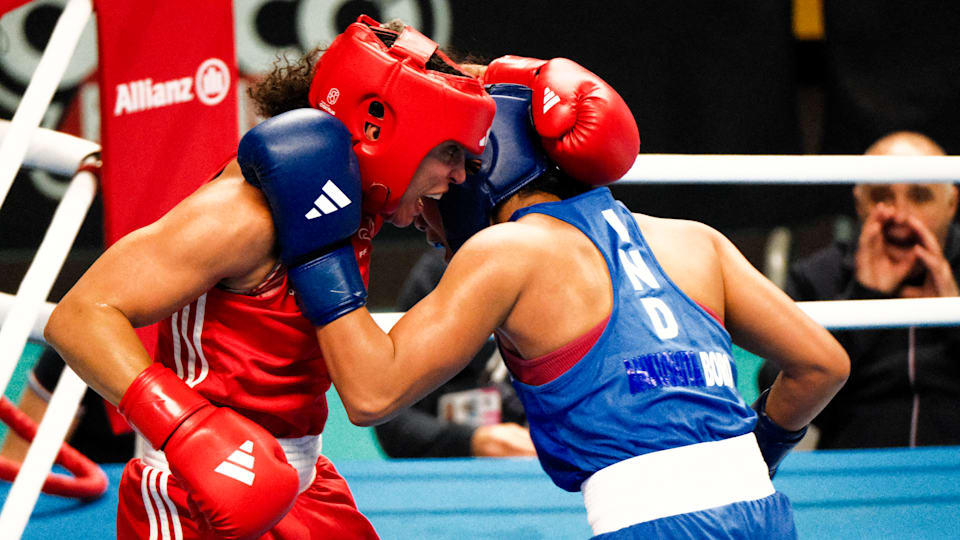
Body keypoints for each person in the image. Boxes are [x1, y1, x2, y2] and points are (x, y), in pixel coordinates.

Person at [245, 77, 849, 537]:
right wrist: (756, 458)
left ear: (484, 171)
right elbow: (824, 365)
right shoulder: (697, 239)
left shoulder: (507, 250)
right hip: (766, 515)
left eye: (448, 174)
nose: (431, 207)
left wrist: (316, 242)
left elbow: (372, 394)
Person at [43, 15, 495, 539]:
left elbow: (449, 81)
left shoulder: (354, 203)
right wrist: (189, 429)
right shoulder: (246, 214)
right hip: (201, 489)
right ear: (376, 129)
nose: (459, 175)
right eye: (448, 152)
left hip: (304, 483)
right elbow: (80, 316)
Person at [760, 131, 960, 449]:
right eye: (882, 195)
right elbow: (772, 388)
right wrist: (864, 297)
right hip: (854, 475)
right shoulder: (818, 276)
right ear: (859, 202)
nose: (900, 215)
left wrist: (953, 315)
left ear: (952, 204)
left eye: (920, 196)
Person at [374, 249, 534, 458]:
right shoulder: (436, 274)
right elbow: (392, 422)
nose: (421, 221)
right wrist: (472, 442)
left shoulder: (562, 274)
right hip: (450, 472)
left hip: (543, 472)